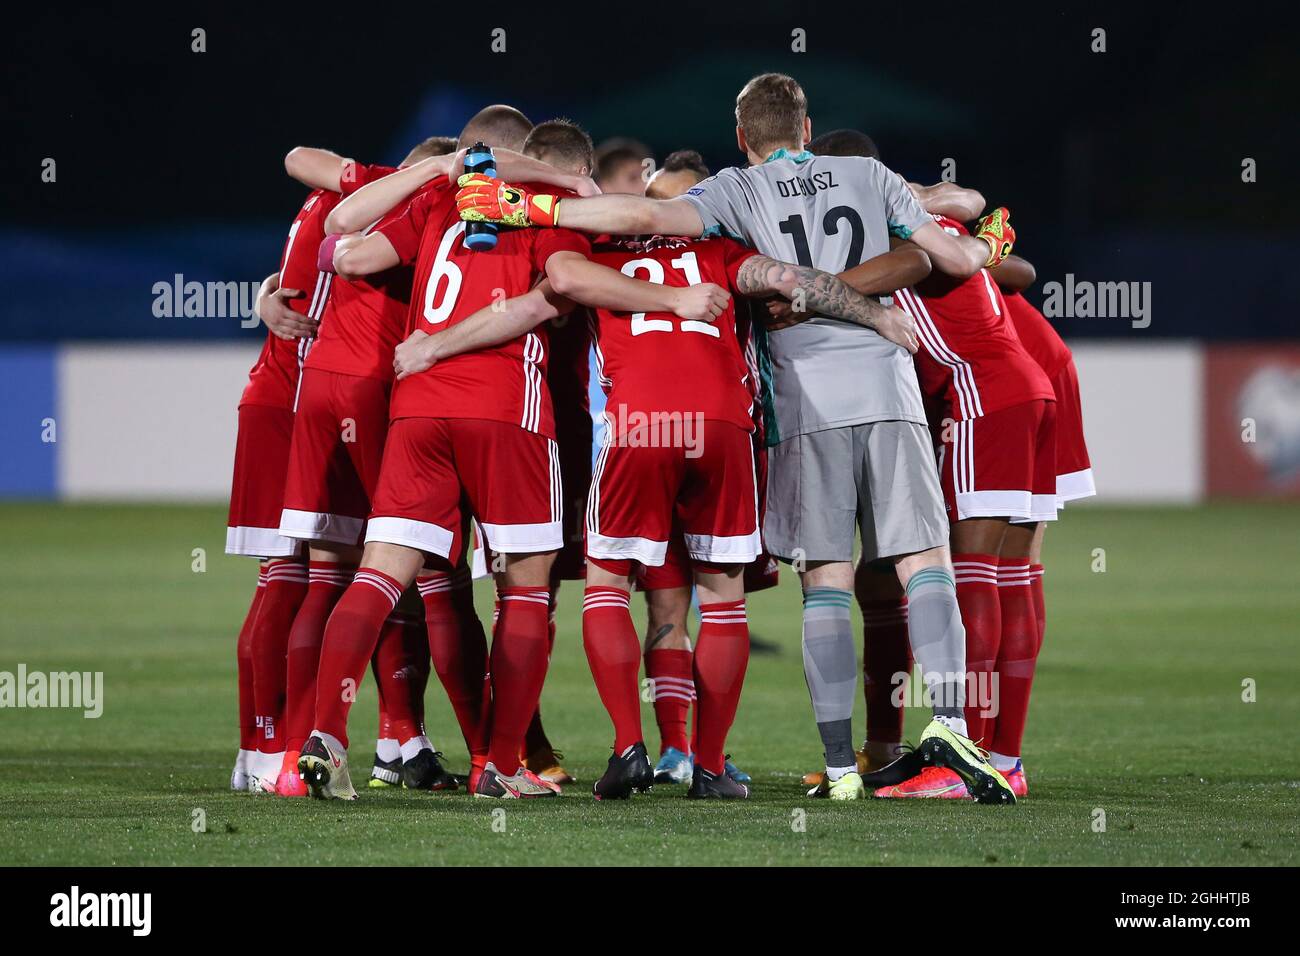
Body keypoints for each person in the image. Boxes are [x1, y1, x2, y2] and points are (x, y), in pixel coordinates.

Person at [455, 73, 1019, 803]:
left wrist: (523, 207)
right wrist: (937, 270)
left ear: (743, 139)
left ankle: (840, 767)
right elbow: (949, 250)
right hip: (878, 389)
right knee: (922, 562)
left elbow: (635, 218)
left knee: (824, 580)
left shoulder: (730, 193)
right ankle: (946, 728)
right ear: (808, 129)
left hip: (788, 403)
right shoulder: (868, 173)